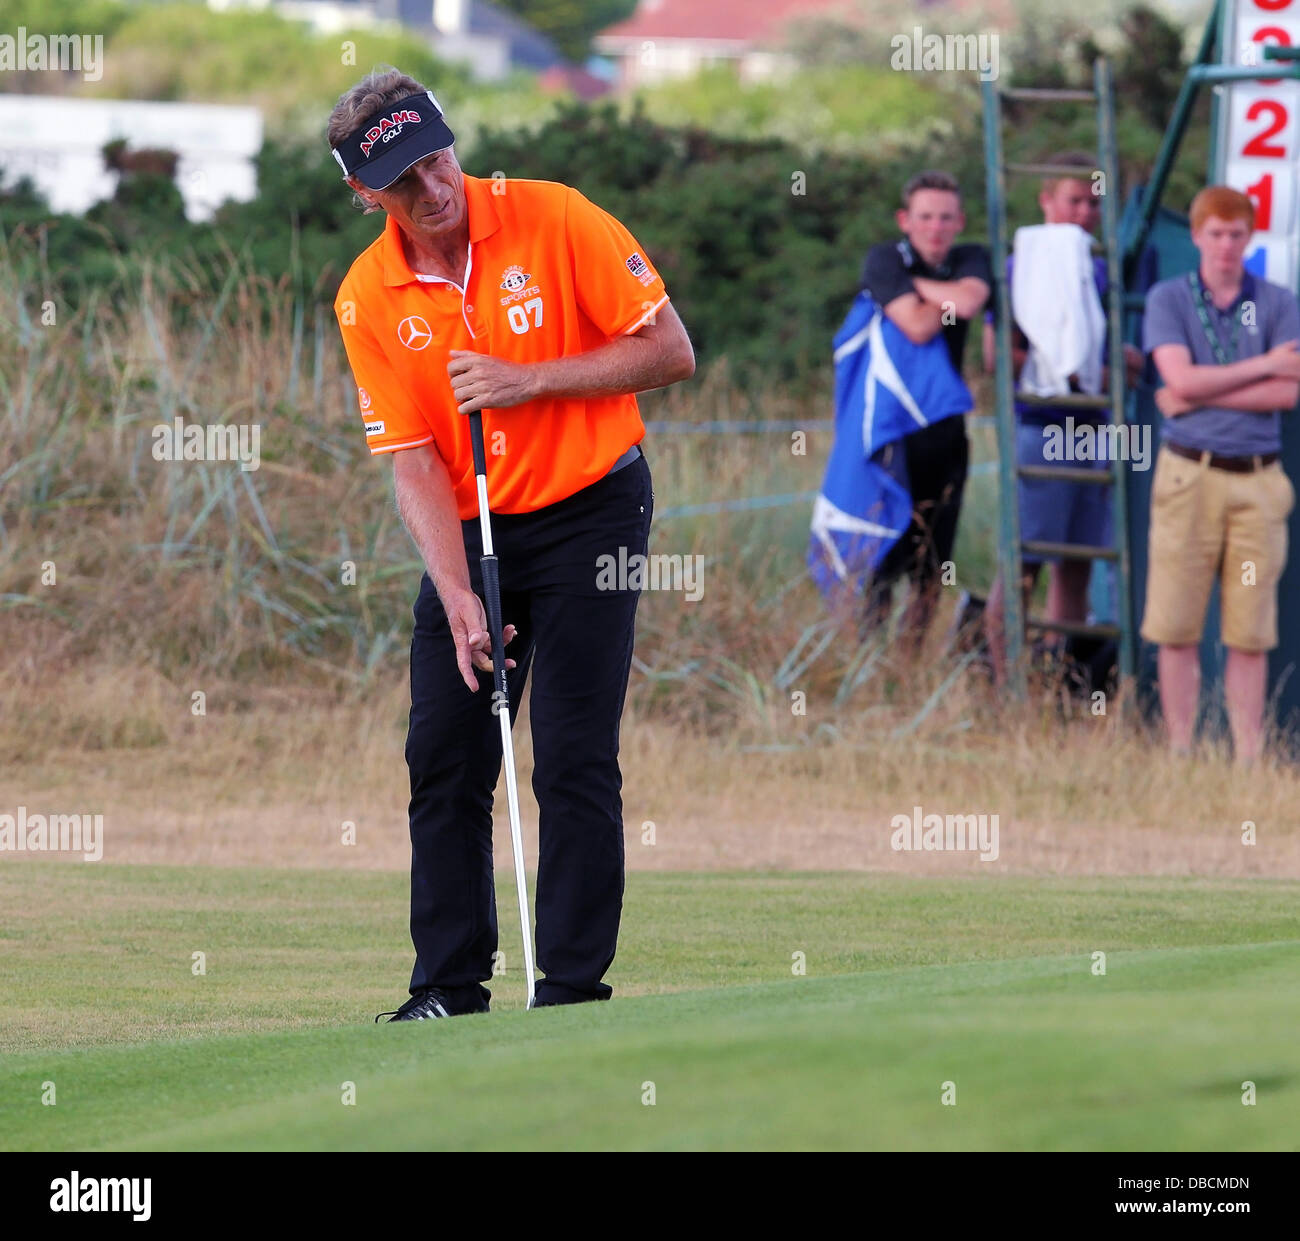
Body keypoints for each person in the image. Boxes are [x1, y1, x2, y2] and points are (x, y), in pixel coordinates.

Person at [328, 69, 694, 1018]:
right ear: (367, 194)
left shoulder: (556, 217)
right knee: (444, 752)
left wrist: (528, 381)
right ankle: (448, 985)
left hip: (592, 508)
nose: (434, 188)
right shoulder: (369, 296)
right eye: (405, 180)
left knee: (572, 752)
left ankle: (571, 988)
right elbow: (412, 462)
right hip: (472, 531)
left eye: (438, 158)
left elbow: (669, 350)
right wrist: (452, 593)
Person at [1143, 185, 1300, 763]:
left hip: (1257, 481)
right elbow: (1176, 379)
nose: (1227, 245)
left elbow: (1289, 389)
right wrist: (1259, 368)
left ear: (1250, 237)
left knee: (1250, 628)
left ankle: (1248, 758)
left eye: (1237, 234)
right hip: (1190, 474)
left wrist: (1198, 393)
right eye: (1216, 234)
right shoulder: (1169, 299)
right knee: (1176, 622)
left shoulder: (1279, 301)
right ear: (1197, 237)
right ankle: (1181, 751)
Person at [982, 151, 1144, 683]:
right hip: (1043, 425)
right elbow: (996, 357)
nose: (1085, 213)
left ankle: (1061, 682)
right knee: (1024, 560)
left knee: (1076, 562)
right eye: (1075, 200)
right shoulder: (1020, 266)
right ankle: (1009, 688)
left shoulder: (1098, 270)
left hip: (1094, 429)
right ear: (1046, 200)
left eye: (1095, 203)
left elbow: (1109, 357)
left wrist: (1114, 365)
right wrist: (1062, 369)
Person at [857, 170, 991, 647]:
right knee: (882, 555)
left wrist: (916, 288)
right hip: (891, 430)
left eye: (945, 218)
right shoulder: (882, 258)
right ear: (905, 220)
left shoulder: (971, 255)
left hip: (947, 430)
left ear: (960, 222)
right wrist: (943, 295)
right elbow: (916, 326)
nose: (936, 227)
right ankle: (868, 663)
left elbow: (970, 301)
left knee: (934, 563)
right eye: (926, 217)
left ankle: (909, 663)